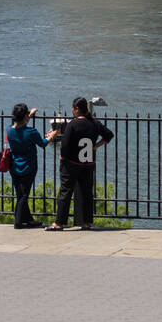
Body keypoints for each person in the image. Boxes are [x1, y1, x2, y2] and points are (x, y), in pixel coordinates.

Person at [46, 97, 114, 232]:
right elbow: (109, 135)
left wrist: (62, 157)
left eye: (73, 108)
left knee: (65, 192)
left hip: (71, 163)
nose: (72, 110)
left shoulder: (73, 124)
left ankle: (59, 223)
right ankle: (87, 222)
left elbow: (65, 145)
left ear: (77, 109)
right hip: (88, 163)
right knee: (87, 193)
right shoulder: (95, 123)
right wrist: (96, 146)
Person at [6, 104, 60, 230]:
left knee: (20, 193)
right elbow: (43, 143)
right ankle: (18, 222)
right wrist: (54, 134)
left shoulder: (9, 130)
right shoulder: (31, 132)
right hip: (28, 167)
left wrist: (28, 115)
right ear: (25, 117)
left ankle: (28, 220)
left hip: (14, 166)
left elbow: (20, 126)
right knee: (23, 196)